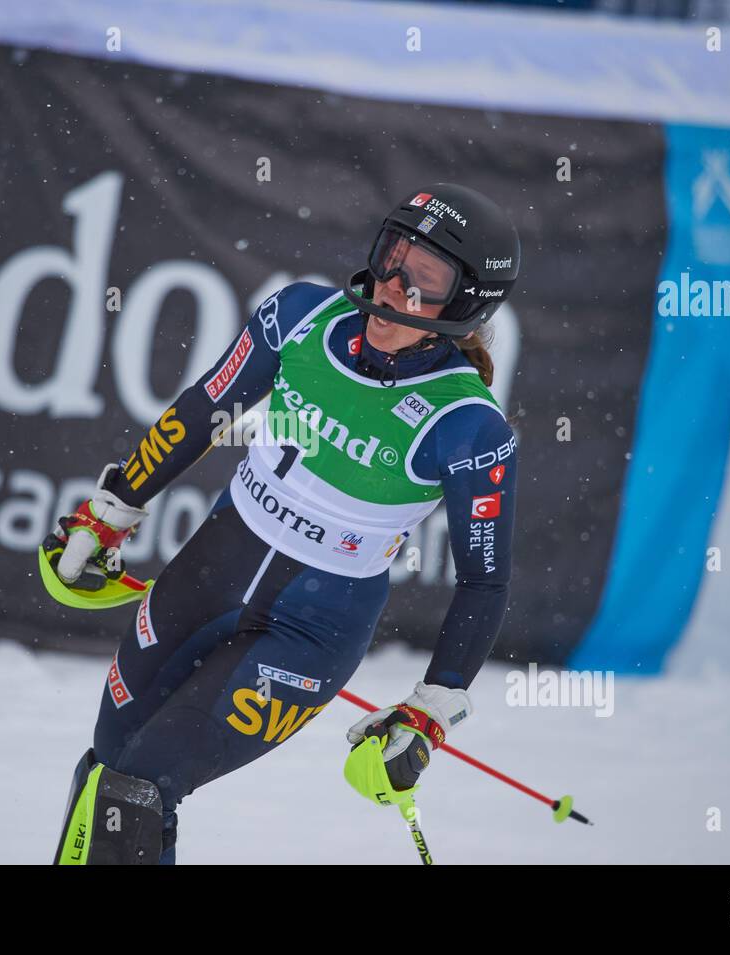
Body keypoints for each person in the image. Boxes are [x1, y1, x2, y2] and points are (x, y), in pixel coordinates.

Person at [47, 183, 521, 864]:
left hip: (312, 629)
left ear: (467, 302)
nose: (391, 286)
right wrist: (112, 508)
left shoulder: (468, 425)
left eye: (423, 279)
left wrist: (431, 710)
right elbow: (207, 407)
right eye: (391, 256)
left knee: (138, 787)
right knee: (107, 772)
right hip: (207, 575)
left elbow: (485, 582)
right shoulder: (301, 316)